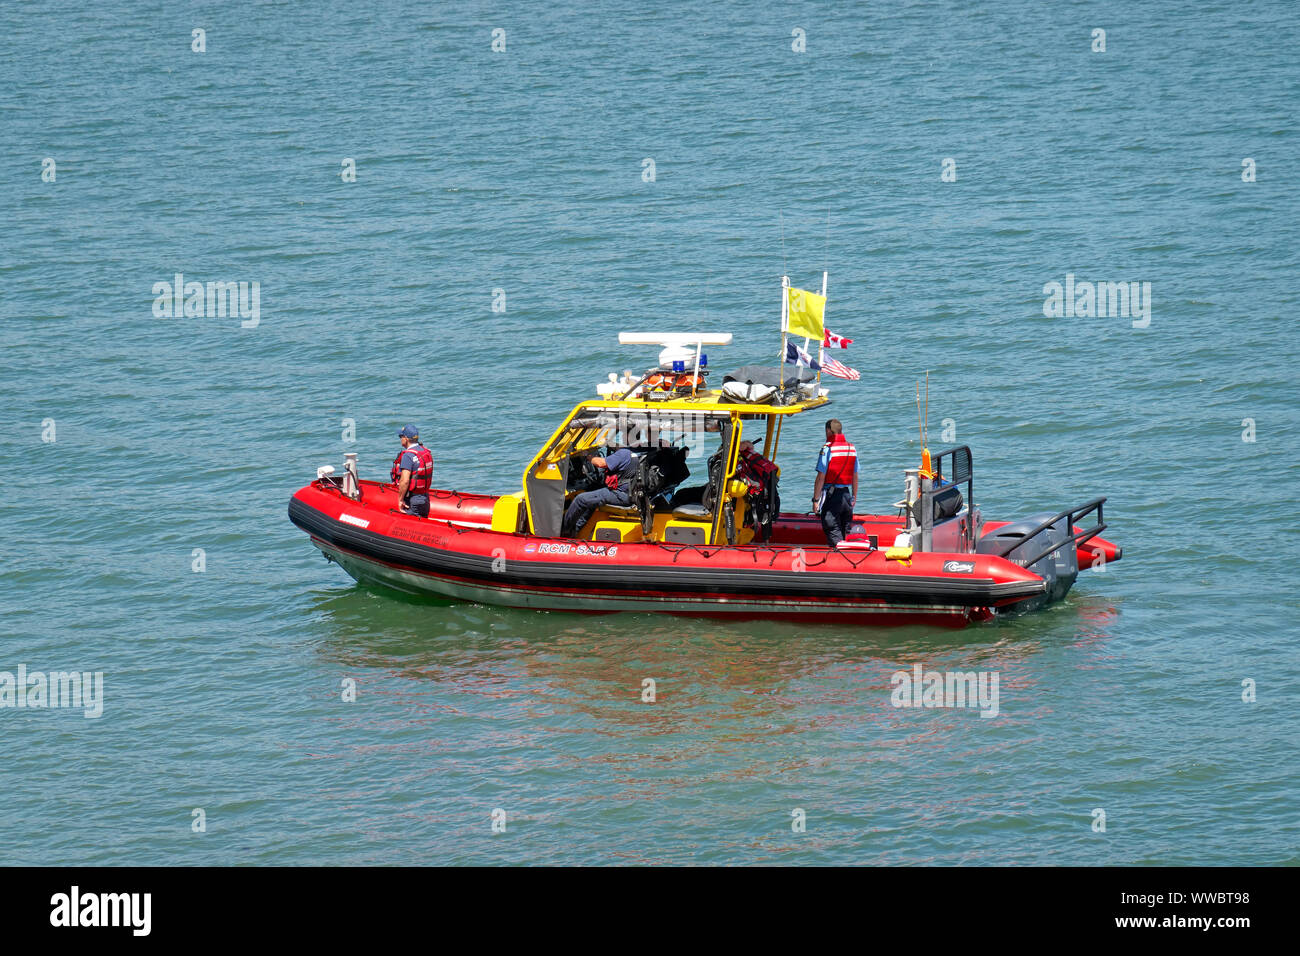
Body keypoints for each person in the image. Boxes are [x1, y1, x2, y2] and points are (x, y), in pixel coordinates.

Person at [562, 446, 639, 537]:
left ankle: (564, 532)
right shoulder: (632, 453)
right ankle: (577, 528)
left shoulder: (623, 453)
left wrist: (588, 456)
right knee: (592, 496)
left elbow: (601, 463)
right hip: (629, 492)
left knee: (580, 499)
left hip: (620, 494)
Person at [812, 419, 858, 546]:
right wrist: (854, 496)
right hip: (846, 496)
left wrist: (816, 500)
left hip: (832, 497)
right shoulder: (851, 448)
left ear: (828, 431)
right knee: (846, 531)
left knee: (833, 530)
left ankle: (840, 559)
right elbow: (855, 475)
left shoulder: (827, 449)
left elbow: (821, 477)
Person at [391, 424, 434, 517]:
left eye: (400, 436)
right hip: (425, 498)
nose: (400, 439)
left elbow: (404, 481)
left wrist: (400, 500)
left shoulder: (408, 456)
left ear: (406, 438)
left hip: (412, 500)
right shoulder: (425, 451)